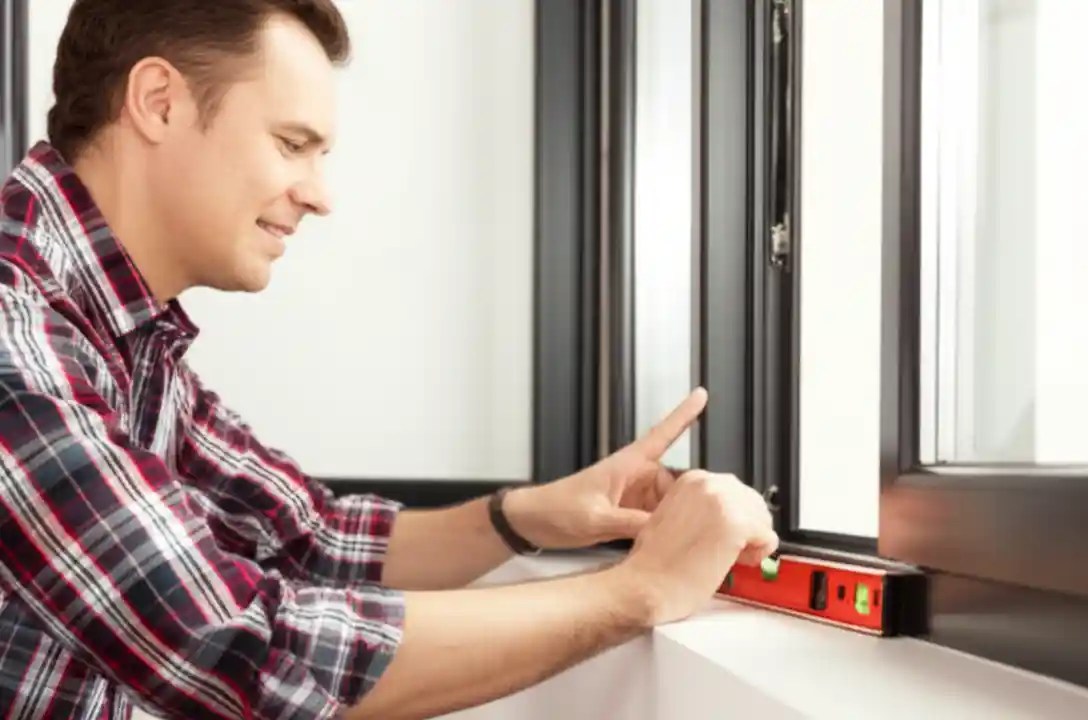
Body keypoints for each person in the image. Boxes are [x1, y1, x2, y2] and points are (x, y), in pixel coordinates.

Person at [0, 1, 778, 719]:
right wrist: (641, 591)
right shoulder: (16, 329)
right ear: (159, 102)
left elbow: (314, 539)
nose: (320, 194)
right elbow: (233, 647)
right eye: (291, 144)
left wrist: (533, 516)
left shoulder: (128, 338)